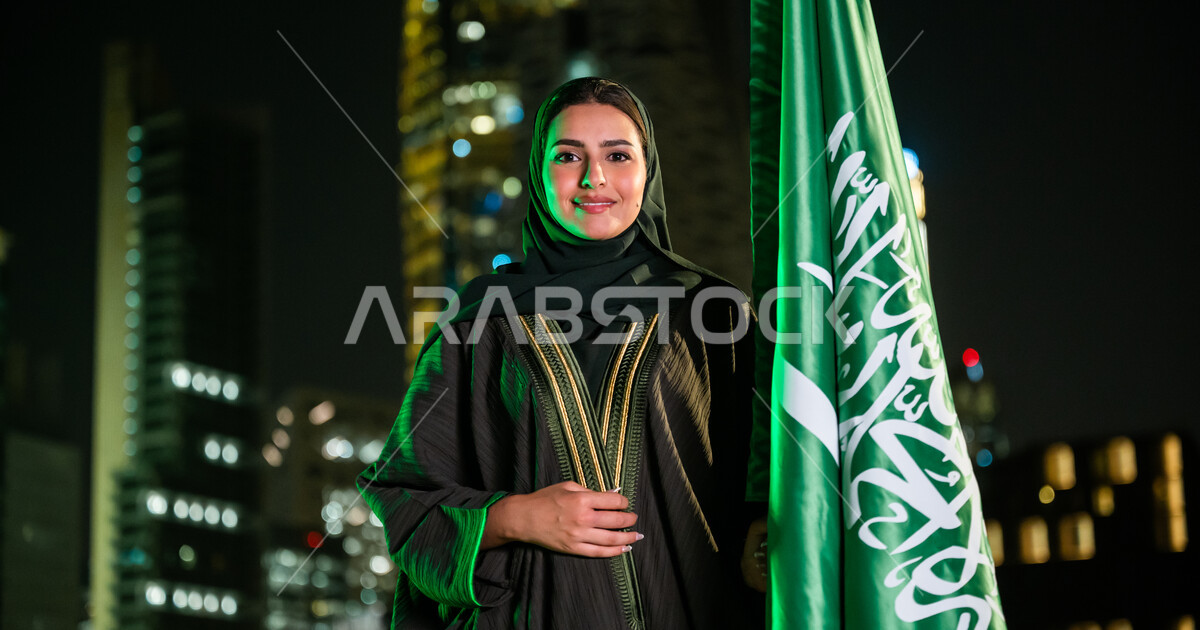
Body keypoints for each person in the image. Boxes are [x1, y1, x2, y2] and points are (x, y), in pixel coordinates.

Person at [358, 77, 768, 629]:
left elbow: (775, 472)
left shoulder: (717, 314)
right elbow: (405, 499)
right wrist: (514, 517)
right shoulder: (479, 325)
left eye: (618, 155)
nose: (594, 177)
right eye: (568, 155)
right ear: (539, 173)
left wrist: (761, 532)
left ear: (648, 172)